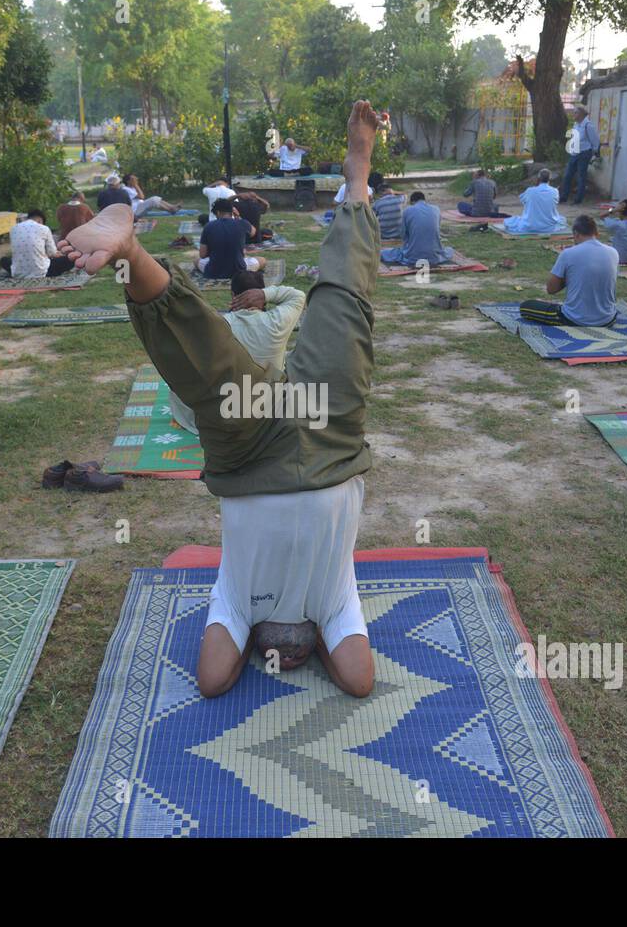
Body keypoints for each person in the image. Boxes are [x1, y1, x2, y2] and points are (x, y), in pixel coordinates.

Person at [55, 99, 388, 699]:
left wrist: (250, 637)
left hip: (249, 452)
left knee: (205, 369)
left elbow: (212, 681)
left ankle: (132, 253)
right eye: (297, 653)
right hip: (330, 437)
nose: (283, 656)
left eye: (271, 652)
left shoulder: (234, 603)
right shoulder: (337, 607)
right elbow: (360, 681)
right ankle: (356, 175)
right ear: (316, 643)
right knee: (343, 304)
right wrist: (308, 641)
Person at [168, 275, 307, 435]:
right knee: (288, 362)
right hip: (268, 405)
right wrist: (265, 294)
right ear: (262, 296)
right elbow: (298, 296)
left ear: (233, 295)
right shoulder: (279, 321)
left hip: (228, 406)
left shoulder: (218, 325)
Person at [520, 214, 618, 327]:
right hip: (608, 318)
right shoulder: (613, 252)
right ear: (596, 233)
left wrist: (569, 276)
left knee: (526, 306)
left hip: (575, 318)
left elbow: (551, 289)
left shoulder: (569, 253)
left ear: (576, 234)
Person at [194, 198, 266, 279]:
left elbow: (202, 255)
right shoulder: (242, 223)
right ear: (232, 211)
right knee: (262, 260)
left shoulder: (208, 226)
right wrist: (238, 216)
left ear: (217, 212)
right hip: (239, 270)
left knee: (196, 260)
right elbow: (253, 232)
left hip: (213, 272)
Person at [380, 191, 454, 268]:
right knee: (449, 250)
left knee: (388, 253)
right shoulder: (436, 209)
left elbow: (403, 234)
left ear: (412, 202)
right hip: (433, 258)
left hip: (413, 258)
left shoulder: (407, 211)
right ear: (424, 200)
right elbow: (436, 230)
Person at [1, 209, 76, 279]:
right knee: (70, 259)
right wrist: (61, 254)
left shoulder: (13, 228)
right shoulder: (44, 228)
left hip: (18, 272)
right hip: (42, 271)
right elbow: (52, 253)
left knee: (3, 260)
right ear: (40, 220)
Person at [503, 169, 567, 234]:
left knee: (512, 221)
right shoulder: (555, 191)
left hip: (530, 226)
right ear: (550, 178)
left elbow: (523, 200)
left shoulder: (530, 191)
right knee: (561, 219)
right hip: (549, 227)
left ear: (538, 178)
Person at [560, 105, 600, 205]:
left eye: (576, 112)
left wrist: (594, 153)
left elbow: (595, 140)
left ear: (581, 114)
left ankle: (578, 199)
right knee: (567, 175)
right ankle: (563, 197)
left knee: (581, 176)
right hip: (574, 153)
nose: (574, 114)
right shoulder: (576, 125)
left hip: (584, 153)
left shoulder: (588, 125)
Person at [600, 199, 627, 264]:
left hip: (618, 258)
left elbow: (601, 216)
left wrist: (613, 210)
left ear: (620, 211)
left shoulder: (617, 224)